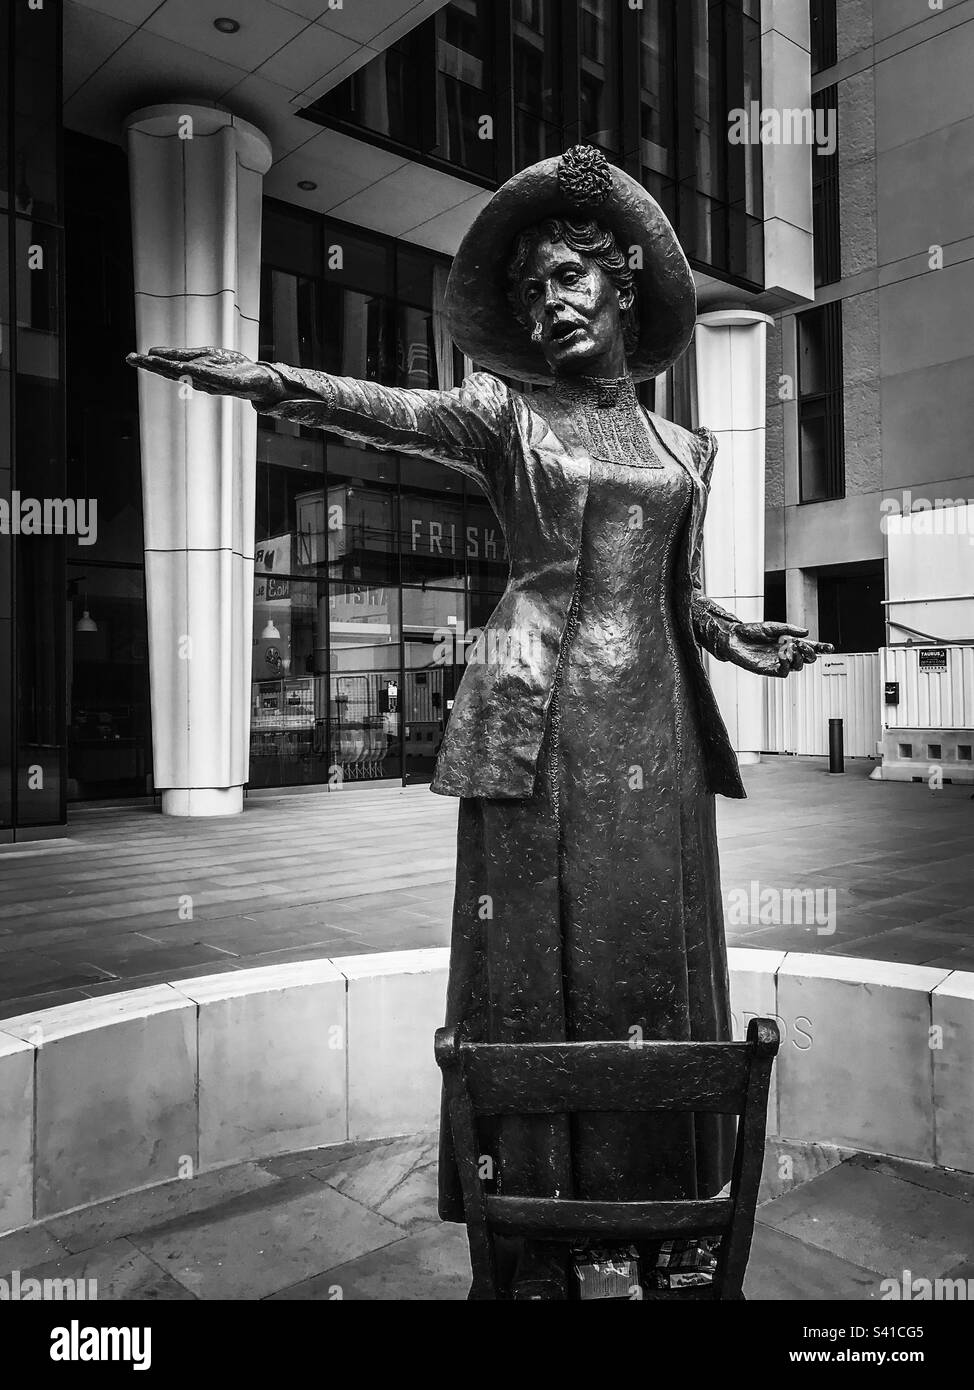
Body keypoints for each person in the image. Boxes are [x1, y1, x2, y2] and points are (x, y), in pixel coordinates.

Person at [129, 144, 830, 1299]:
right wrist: (271, 384)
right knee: (531, 963)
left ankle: (670, 1207)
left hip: (653, 722)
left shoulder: (685, 448)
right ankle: (535, 1223)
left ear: (620, 290)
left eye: (566, 278)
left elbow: (677, 592)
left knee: (653, 958)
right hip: (535, 718)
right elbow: (393, 411)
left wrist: (743, 638)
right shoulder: (506, 420)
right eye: (530, 291)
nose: (548, 302)